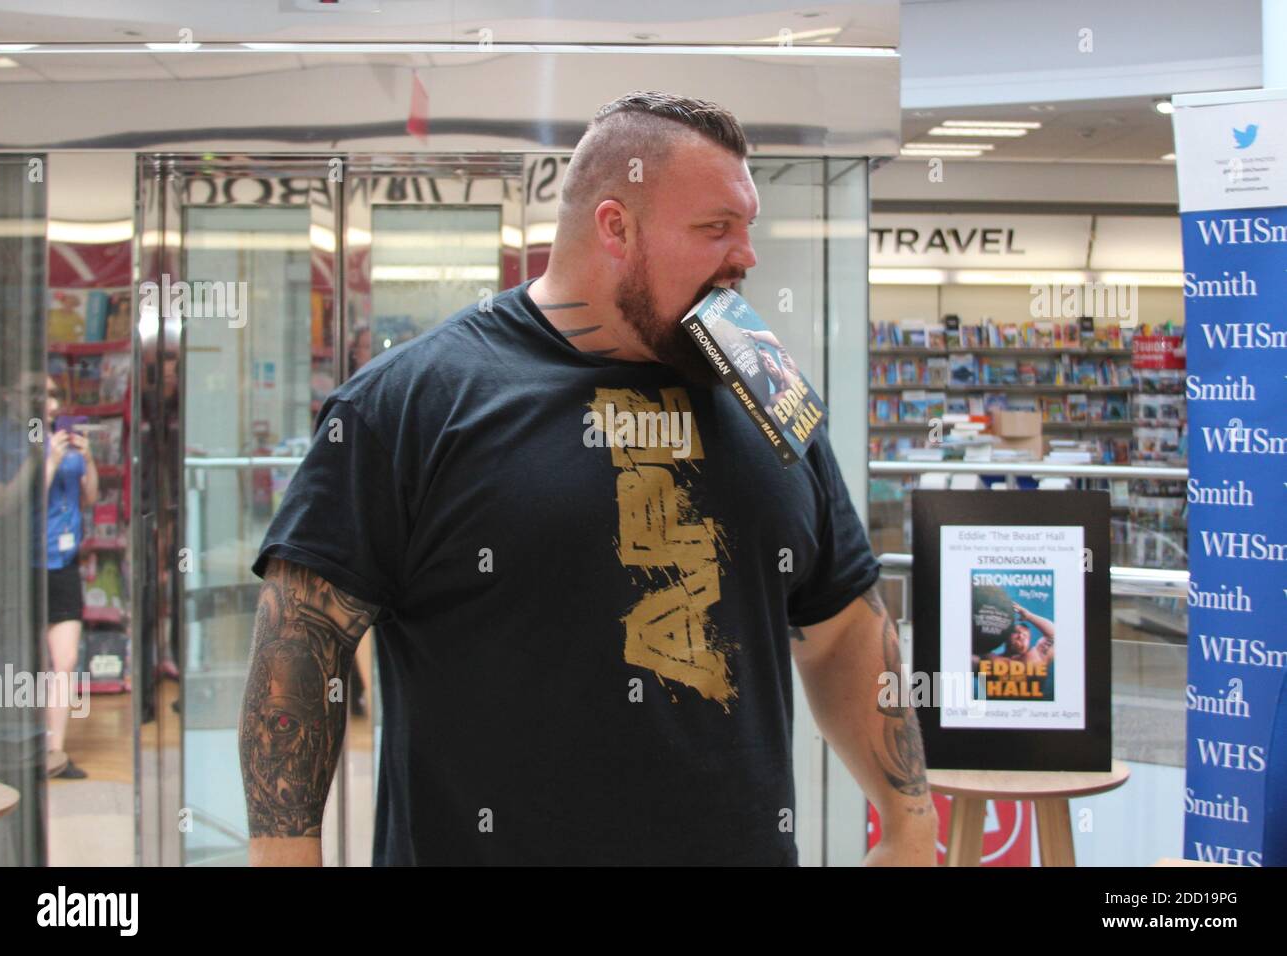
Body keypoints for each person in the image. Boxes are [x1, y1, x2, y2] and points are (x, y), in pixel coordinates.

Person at [240, 90, 937, 866]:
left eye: (747, 227)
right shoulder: (412, 402)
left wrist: (909, 820)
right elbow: (300, 645)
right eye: (715, 229)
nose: (746, 256)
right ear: (616, 227)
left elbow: (841, 624)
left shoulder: (766, 391)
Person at [42, 377, 97, 778]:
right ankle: (25, 744)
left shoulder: (65, 441)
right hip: (26, 563)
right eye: (44, 395)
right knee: (25, 663)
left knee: (66, 659)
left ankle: (54, 751)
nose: (51, 402)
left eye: (54, 394)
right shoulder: (14, 444)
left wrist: (89, 461)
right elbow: (16, 500)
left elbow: (89, 497)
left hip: (65, 560)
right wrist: (49, 464)